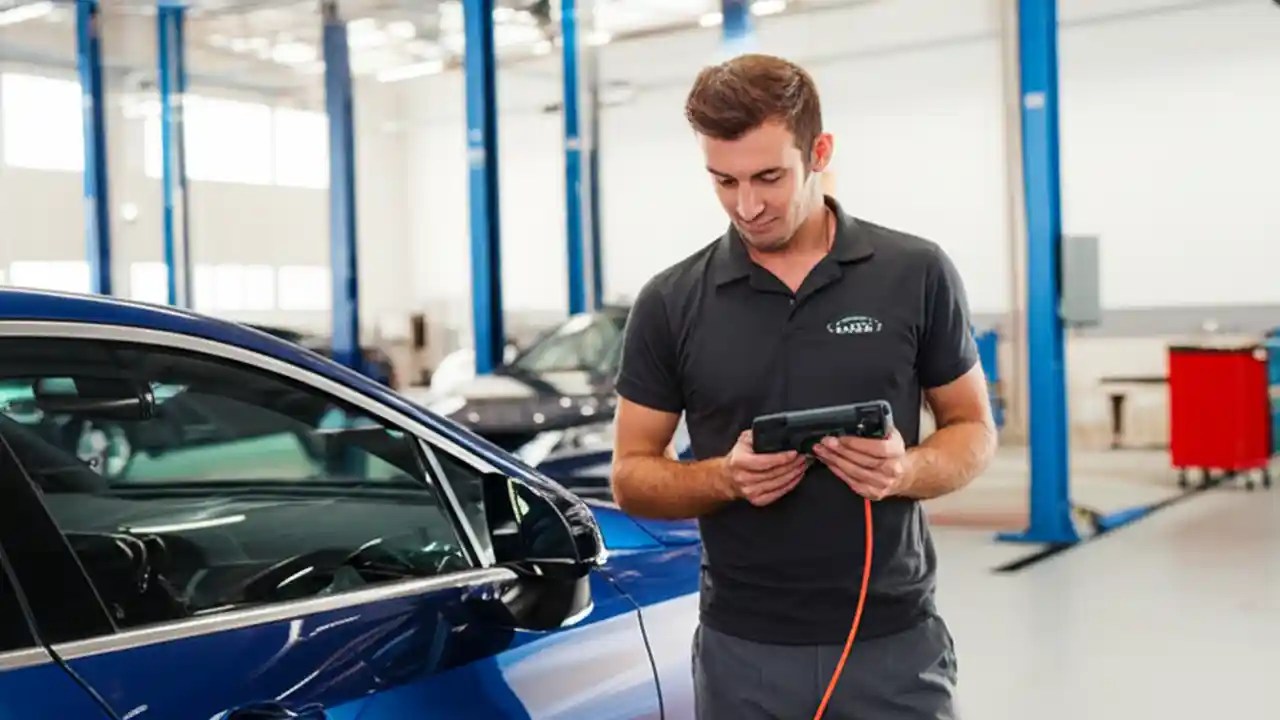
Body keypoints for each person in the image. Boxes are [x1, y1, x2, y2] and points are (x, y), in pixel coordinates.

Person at [608, 53, 997, 720]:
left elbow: (974, 430)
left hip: (893, 642)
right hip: (744, 647)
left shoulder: (916, 272)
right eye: (723, 181)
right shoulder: (670, 302)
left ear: (819, 151)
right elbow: (632, 474)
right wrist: (726, 479)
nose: (747, 205)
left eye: (768, 177)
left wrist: (904, 470)